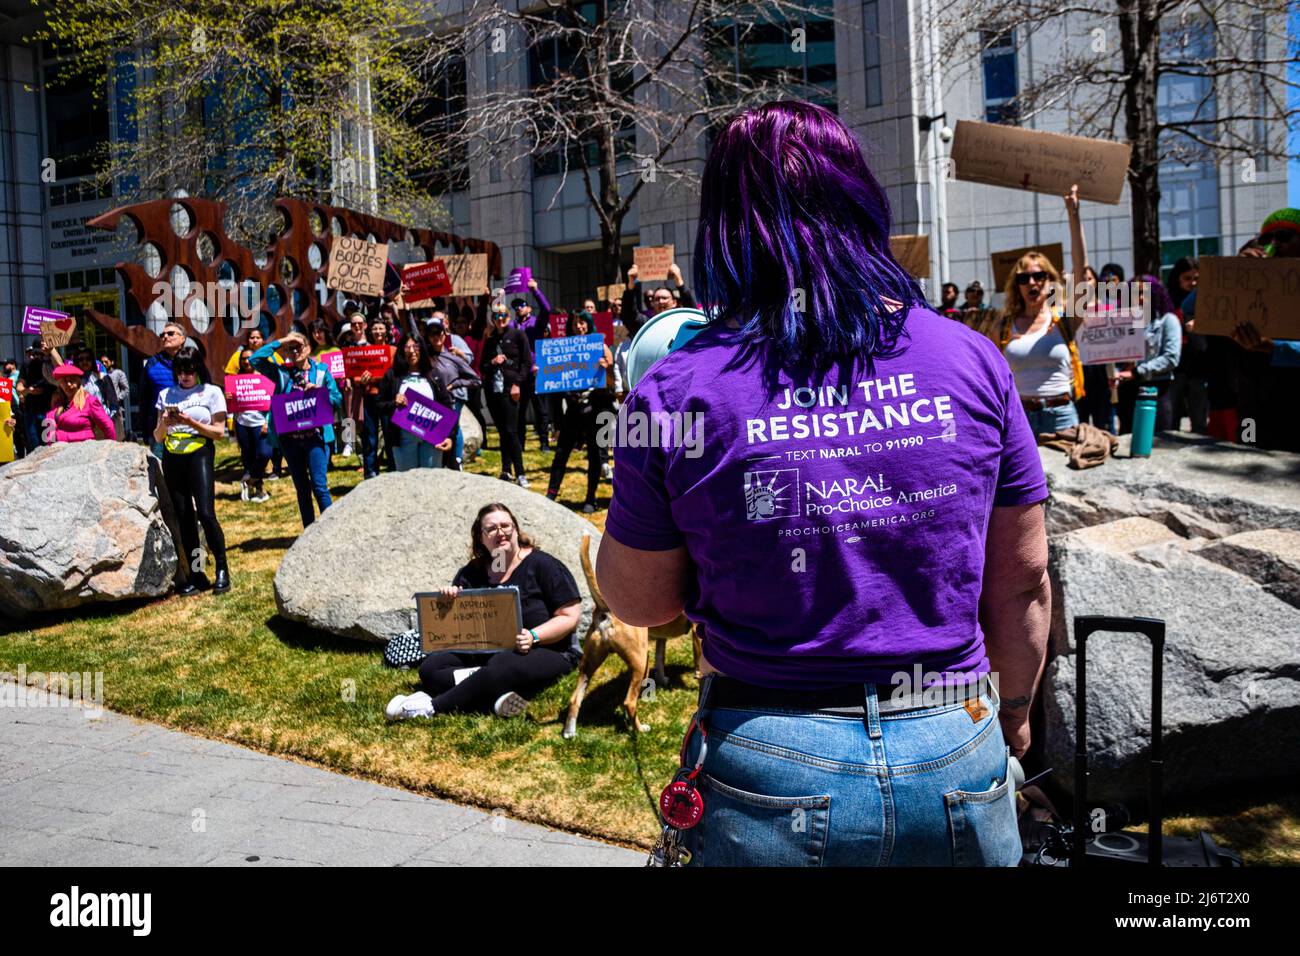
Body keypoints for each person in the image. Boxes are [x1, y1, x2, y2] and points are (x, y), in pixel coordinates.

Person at [596, 101, 1049, 867]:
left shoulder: (678, 389)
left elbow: (639, 601)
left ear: (727, 226)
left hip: (768, 754)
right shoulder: (971, 359)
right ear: (859, 202)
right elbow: (1025, 576)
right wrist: (1012, 713)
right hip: (950, 740)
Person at [385, 503, 582, 720]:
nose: (501, 533)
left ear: (516, 529)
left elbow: (569, 616)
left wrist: (534, 636)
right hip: (485, 653)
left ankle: (430, 707)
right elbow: (457, 628)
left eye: (506, 526)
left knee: (501, 665)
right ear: (481, 537)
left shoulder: (544, 565)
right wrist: (449, 601)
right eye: (492, 529)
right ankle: (494, 691)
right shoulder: (472, 572)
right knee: (431, 668)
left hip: (548, 650)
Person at [152, 346, 230, 595]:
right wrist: (164, 423)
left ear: (197, 369)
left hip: (200, 453)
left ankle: (221, 568)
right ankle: (197, 573)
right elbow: (157, 436)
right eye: (180, 371)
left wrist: (190, 422)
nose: (184, 376)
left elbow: (219, 432)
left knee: (206, 513)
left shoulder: (211, 392)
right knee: (184, 517)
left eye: (189, 371)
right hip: (173, 456)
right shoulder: (166, 394)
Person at [252, 331, 344, 527]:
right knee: (302, 489)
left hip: (315, 437)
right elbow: (255, 359)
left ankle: (331, 529)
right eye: (290, 349)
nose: (295, 352)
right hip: (290, 440)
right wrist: (282, 341)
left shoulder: (321, 372)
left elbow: (337, 398)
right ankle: (308, 532)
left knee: (319, 486)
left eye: (299, 347)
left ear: (309, 348)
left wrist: (319, 393)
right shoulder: (282, 373)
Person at [990, 251, 1084, 435]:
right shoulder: (1002, 327)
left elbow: (1080, 274)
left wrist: (1075, 221)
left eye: (1039, 276)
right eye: (1023, 278)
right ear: (1017, 286)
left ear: (1050, 281)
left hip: (1062, 416)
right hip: (1020, 418)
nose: (1032, 282)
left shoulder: (1064, 320)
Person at [544, 311, 615, 513]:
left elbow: (611, 382)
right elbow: (555, 379)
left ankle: (590, 498)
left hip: (595, 408)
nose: (579, 326)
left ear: (589, 324)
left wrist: (607, 368)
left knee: (594, 455)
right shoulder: (563, 348)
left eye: (582, 323)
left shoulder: (600, 346)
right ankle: (551, 493)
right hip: (573, 408)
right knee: (561, 453)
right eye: (575, 323)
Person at [1063, 184, 1113, 433]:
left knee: (1104, 426)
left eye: (1087, 278)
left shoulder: (1105, 306)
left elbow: (1080, 261)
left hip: (1098, 373)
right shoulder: (1061, 310)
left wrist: (1074, 214)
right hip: (1073, 377)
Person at [1112, 275, 1182, 434]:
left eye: (1145, 293)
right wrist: (1116, 372)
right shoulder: (1121, 323)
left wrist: (1137, 372)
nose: (1140, 298)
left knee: (1159, 442)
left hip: (1156, 390)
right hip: (1127, 393)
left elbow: (1171, 358)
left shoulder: (1167, 320)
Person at [376, 334, 454, 470]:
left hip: (432, 439)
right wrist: (394, 402)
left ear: (422, 349)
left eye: (416, 346)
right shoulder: (392, 375)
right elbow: (379, 404)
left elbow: (447, 407)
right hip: (403, 439)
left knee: (431, 480)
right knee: (406, 482)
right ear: (401, 350)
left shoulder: (434, 374)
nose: (412, 351)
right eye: (407, 347)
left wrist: (449, 436)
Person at [480, 301, 532, 486]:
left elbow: (526, 362)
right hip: (493, 390)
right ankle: (505, 469)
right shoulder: (491, 339)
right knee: (502, 431)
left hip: (511, 389)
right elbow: (482, 367)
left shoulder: (518, 335)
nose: (500, 319)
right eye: (496, 316)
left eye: (503, 315)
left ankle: (520, 472)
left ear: (508, 317)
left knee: (511, 431)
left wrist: (518, 384)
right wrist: (493, 361)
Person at [1166, 256, 1207, 433]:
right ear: (1177, 279)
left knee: (1199, 420)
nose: (1192, 283)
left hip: (1199, 367)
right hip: (1175, 370)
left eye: (1196, 278)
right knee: (1172, 419)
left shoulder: (1206, 301)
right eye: (1187, 278)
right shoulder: (1167, 302)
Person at [227, 347, 272, 502]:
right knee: (248, 457)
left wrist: (268, 422)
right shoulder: (236, 380)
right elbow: (230, 406)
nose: (246, 361)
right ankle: (257, 489)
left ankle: (249, 480)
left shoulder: (265, 377)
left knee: (265, 453)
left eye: (249, 358)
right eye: (243, 358)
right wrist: (229, 397)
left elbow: (273, 401)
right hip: (242, 423)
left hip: (261, 422)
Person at [140, 322, 187, 456]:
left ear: (182, 338)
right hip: (161, 427)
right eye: (163, 335)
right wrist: (145, 429)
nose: (165, 337)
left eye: (170, 333)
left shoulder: (192, 360)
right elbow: (144, 397)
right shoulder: (152, 363)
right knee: (161, 471)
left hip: (189, 426)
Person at [44, 362, 117, 443]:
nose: (68, 384)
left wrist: (109, 449)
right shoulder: (57, 402)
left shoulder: (89, 401)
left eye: (72, 380)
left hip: (82, 451)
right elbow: (48, 432)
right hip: (57, 452)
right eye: (64, 381)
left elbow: (108, 426)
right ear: (60, 384)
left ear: (79, 382)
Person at [99, 352, 130, 440]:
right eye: (102, 362)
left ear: (111, 362)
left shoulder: (118, 373)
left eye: (106, 361)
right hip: (102, 407)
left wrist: (117, 398)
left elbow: (126, 389)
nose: (104, 364)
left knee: (118, 434)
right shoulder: (98, 374)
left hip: (115, 407)